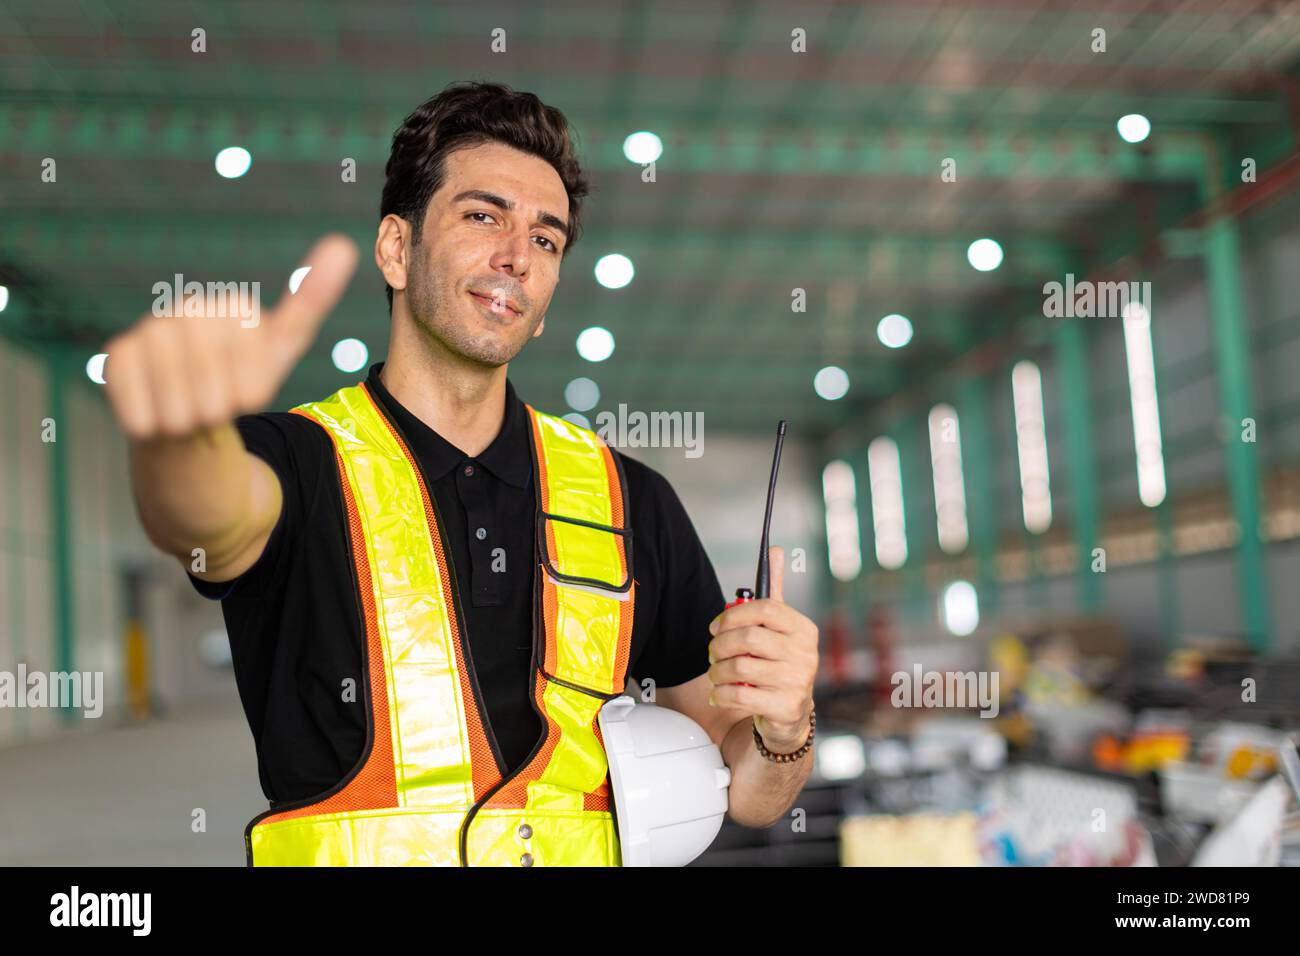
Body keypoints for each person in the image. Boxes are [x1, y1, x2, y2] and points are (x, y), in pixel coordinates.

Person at [102, 80, 818, 866]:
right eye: (483, 216)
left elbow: (743, 786)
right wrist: (176, 438)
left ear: (545, 303)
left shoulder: (628, 499)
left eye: (545, 240)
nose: (516, 255)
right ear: (396, 250)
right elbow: (205, 518)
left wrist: (785, 732)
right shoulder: (301, 462)